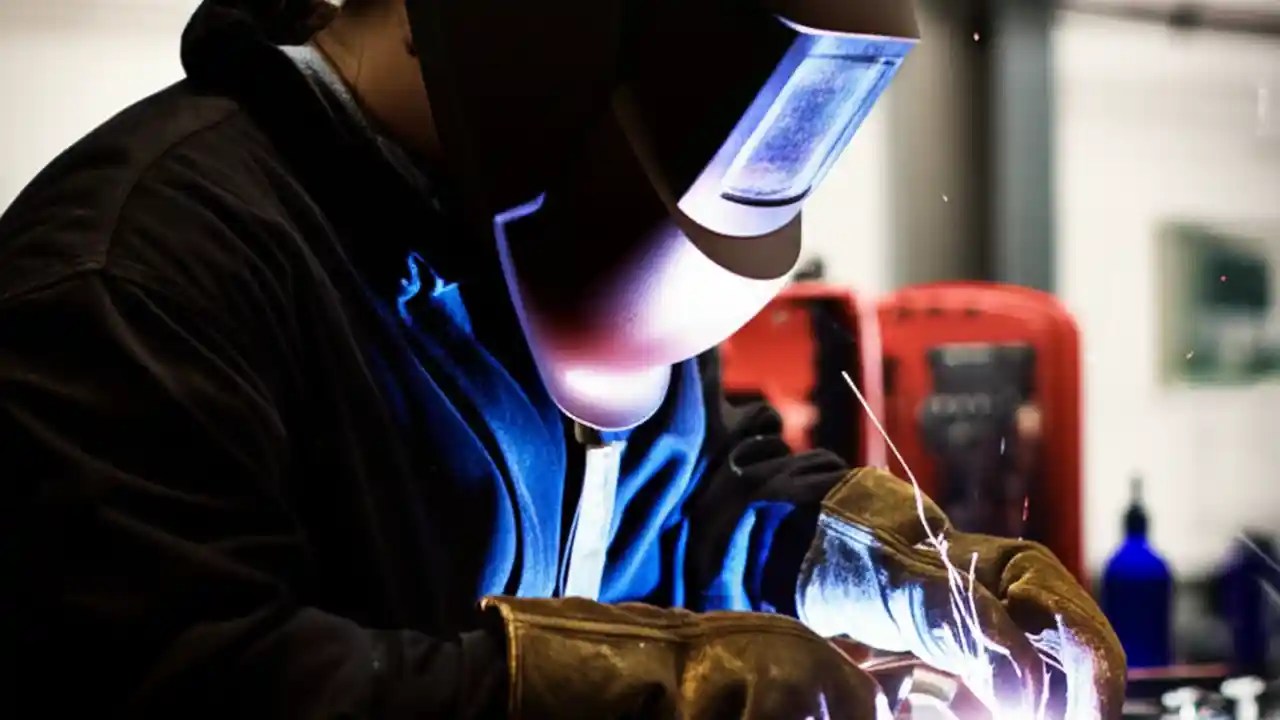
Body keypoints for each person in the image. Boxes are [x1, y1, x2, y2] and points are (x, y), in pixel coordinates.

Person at [0, 1, 1125, 718]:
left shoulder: (537, 234)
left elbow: (675, 496)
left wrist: (895, 573)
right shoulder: (140, 271)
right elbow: (174, 674)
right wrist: (641, 690)